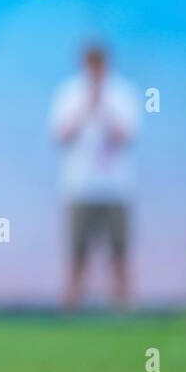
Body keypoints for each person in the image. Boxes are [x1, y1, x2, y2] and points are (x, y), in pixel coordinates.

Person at [48, 43, 140, 311]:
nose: (94, 69)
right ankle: (71, 309)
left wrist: (104, 109)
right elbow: (60, 136)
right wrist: (86, 107)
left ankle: (124, 310)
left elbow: (127, 136)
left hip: (116, 187)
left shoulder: (122, 92)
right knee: (76, 253)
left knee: (119, 252)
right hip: (79, 186)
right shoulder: (69, 92)